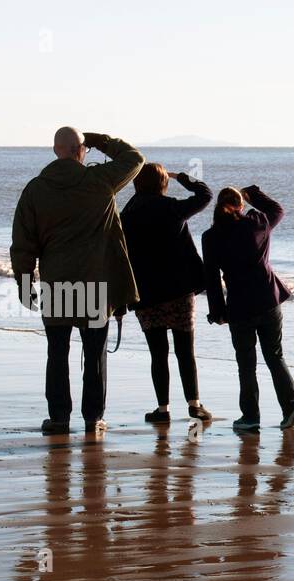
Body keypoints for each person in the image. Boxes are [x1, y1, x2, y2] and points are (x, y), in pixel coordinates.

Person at [11, 127, 143, 434]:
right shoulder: (99, 182)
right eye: (84, 148)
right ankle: (93, 418)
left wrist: (24, 282)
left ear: (56, 150)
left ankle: (59, 418)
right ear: (79, 150)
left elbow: (23, 242)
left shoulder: (36, 189)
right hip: (95, 285)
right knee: (95, 353)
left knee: (57, 352)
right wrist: (100, 141)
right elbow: (135, 158)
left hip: (57, 283)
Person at [202, 184, 294, 432]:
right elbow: (277, 210)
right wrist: (254, 194)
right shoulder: (257, 223)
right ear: (241, 206)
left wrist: (217, 312)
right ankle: (291, 406)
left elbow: (212, 279)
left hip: (239, 305)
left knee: (246, 363)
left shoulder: (211, 237)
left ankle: (250, 416)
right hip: (268, 299)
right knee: (275, 356)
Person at [119, 162, 214, 424]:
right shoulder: (171, 208)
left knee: (158, 354)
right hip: (179, 291)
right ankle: (194, 405)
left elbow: (119, 255)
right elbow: (205, 195)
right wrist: (181, 177)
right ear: (163, 183)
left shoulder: (128, 213)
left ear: (137, 184)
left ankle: (163, 410)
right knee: (185, 350)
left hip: (146, 294)